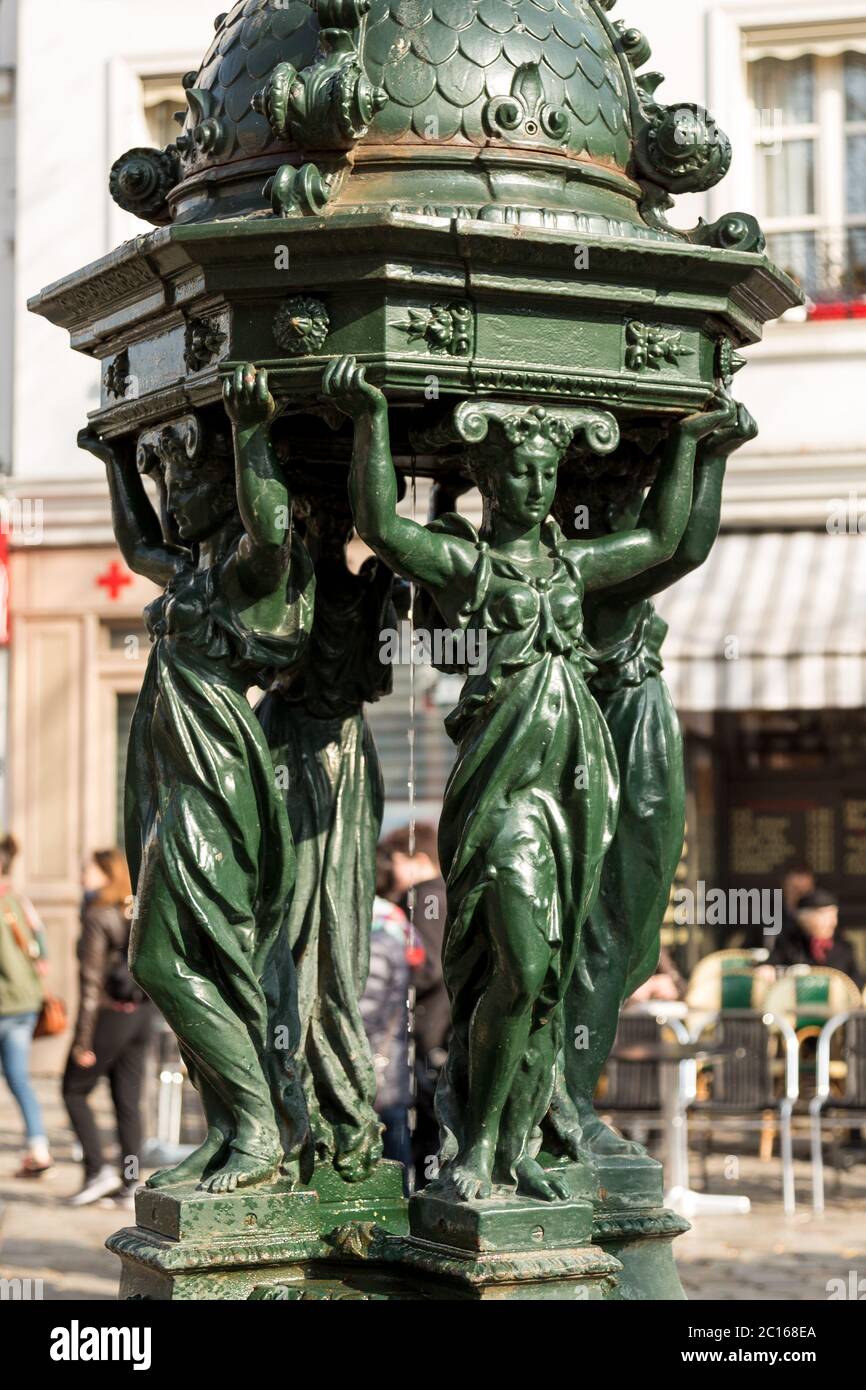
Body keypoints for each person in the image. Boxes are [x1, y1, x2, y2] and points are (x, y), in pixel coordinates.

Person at [324, 352, 736, 1202]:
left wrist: (705, 449)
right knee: (515, 958)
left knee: (544, 971)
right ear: (489, 474)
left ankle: (507, 1139)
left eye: (549, 471)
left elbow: (675, 543)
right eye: (521, 468)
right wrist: (369, 419)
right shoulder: (471, 570)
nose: (539, 483)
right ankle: (475, 1141)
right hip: (505, 792)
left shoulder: (576, 570)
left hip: (572, 789)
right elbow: (385, 525)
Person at [79, 363, 314, 1196]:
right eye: (169, 482)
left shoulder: (239, 577)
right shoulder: (185, 575)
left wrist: (251, 438)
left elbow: (275, 532)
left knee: (165, 958)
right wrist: (114, 463)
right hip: (177, 788)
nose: (175, 498)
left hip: (214, 786)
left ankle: (256, 1125)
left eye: (190, 483)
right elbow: (140, 544)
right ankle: (232, 1126)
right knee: (186, 960)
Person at [63, 849, 155, 1207]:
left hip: (110, 1016)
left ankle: (96, 1170)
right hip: (141, 1015)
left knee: (73, 1090)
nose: (83, 873)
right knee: (128, 1100)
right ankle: (131, 1180)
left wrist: (82, 1040)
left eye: (88, 868)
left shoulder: (97, 913)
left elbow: (90, 983)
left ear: (106, 874)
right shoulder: (135, 909)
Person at [380, 822, 450, 1189]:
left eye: (395, 861)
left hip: (430, 1027)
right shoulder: (444, 893)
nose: (391, 872)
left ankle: (425, 1194)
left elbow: (428, 965)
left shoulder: (427, 897)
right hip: (440, 1026)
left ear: (417, 859)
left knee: (428, 1124)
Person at [360, 849, 417, 1191]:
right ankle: (401, 1196)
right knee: (395, 1133)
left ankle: (391, 1201)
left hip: (371, 1053)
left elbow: (367, 1002)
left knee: (386, 1133)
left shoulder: (371, 926)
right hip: (390, 1054)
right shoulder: (397, 922)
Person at [0, 834, 52, 1178]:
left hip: (4, 1002)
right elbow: (43, 954)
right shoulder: (20, 902)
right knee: (19, 1077)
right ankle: (39, 1145)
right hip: (26, 1003)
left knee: (17, 1076)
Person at [771, 888, 864, 988]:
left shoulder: (844, 947)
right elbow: (772, 967)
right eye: (824, 916)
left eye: (833, 916)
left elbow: (857, 983)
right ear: (804, 919)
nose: (831, 923)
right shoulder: (789, 943)